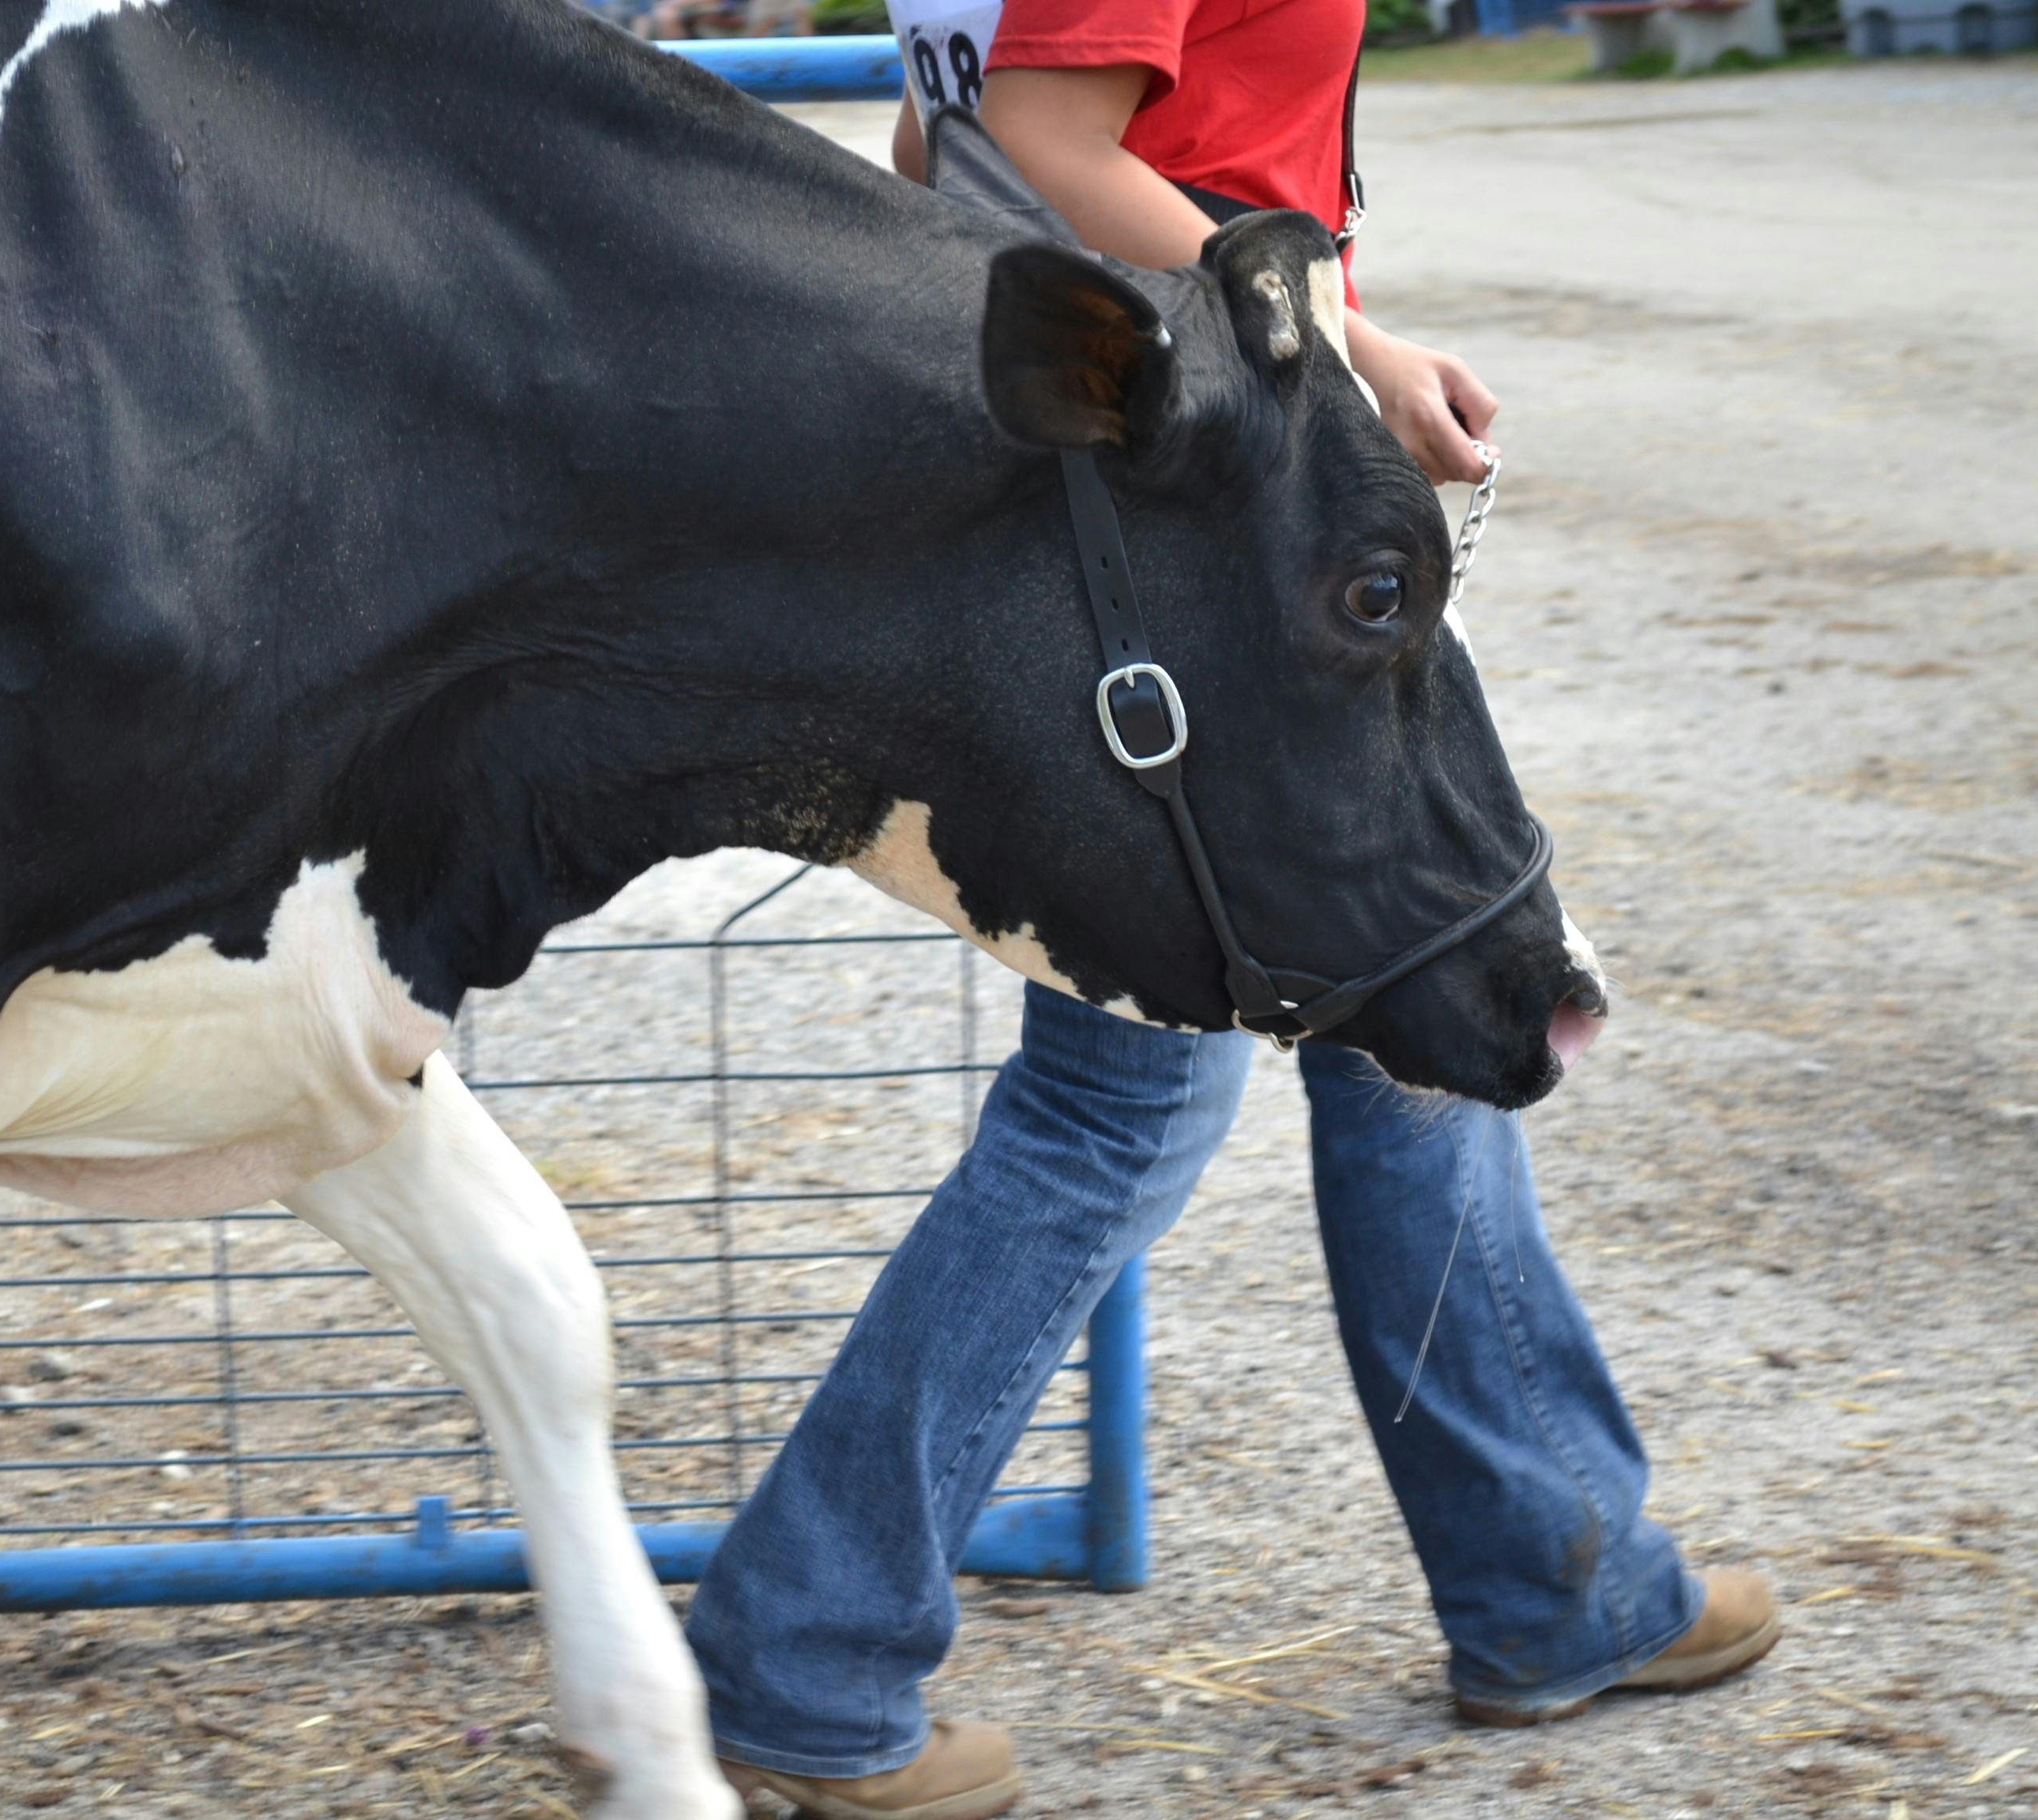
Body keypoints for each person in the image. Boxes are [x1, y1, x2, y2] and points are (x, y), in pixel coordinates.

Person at [682, 6, 1782, 1814]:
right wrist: (1305, 342)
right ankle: (801, 1657)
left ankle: (1550, 1576)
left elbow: (930, 143)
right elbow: (1044, 132)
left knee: (1424, 1023)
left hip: (1149, 471)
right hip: (1191, 511)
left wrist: (1342, 343)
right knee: (1124, 1108)